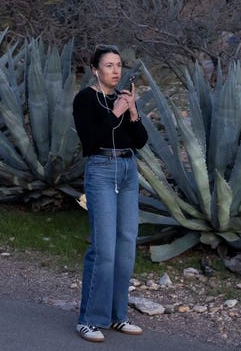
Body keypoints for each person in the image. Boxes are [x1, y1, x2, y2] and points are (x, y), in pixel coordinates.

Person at [73, 44, 148, 342]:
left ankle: (118, 316)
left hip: (128, 170)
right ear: (95, 69)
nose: (116, 71)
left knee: (126, 246)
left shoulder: (122, 98)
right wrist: (115, 112)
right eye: (109, 66)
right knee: (103, 249)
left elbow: (140, 141)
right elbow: (90, 140)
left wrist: (131, 112)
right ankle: (89, 319)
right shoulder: (85, 100)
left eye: (118, 65)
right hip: (101, 170)